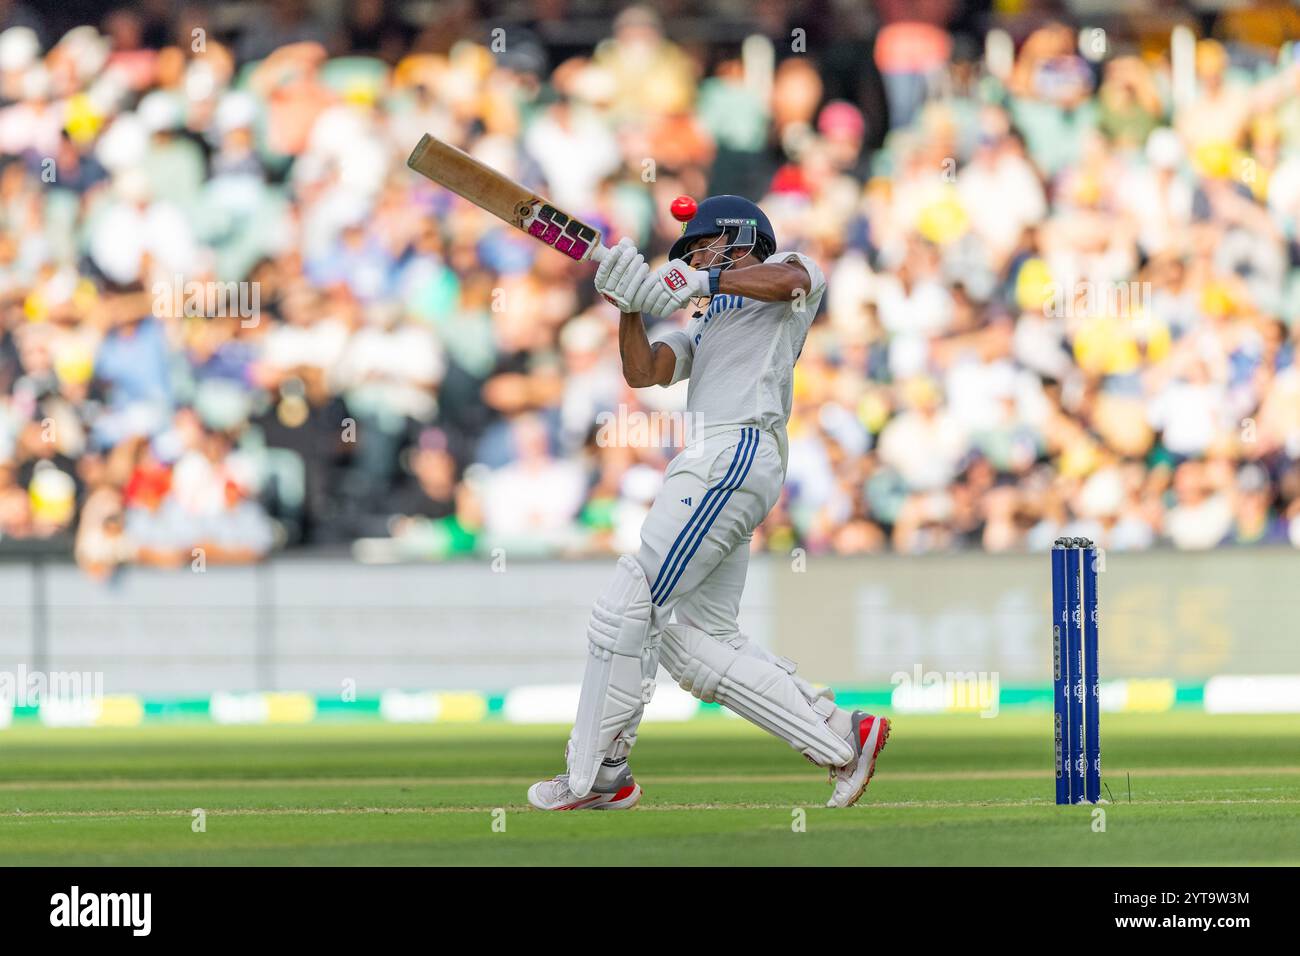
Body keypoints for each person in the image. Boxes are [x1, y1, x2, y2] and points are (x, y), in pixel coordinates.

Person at [528, 196, 891, 810]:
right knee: (695, 641)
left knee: (630, 601)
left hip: (734, 449)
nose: (693, 257)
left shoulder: (789, 275)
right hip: (719, 461)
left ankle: (599, 777)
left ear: (741, 237)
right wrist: (630, 308)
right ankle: (841, 735)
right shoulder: (706, 321)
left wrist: (698, 276)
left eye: (702, 245)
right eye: (691, 253)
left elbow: (790, 280)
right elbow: (646, 371)